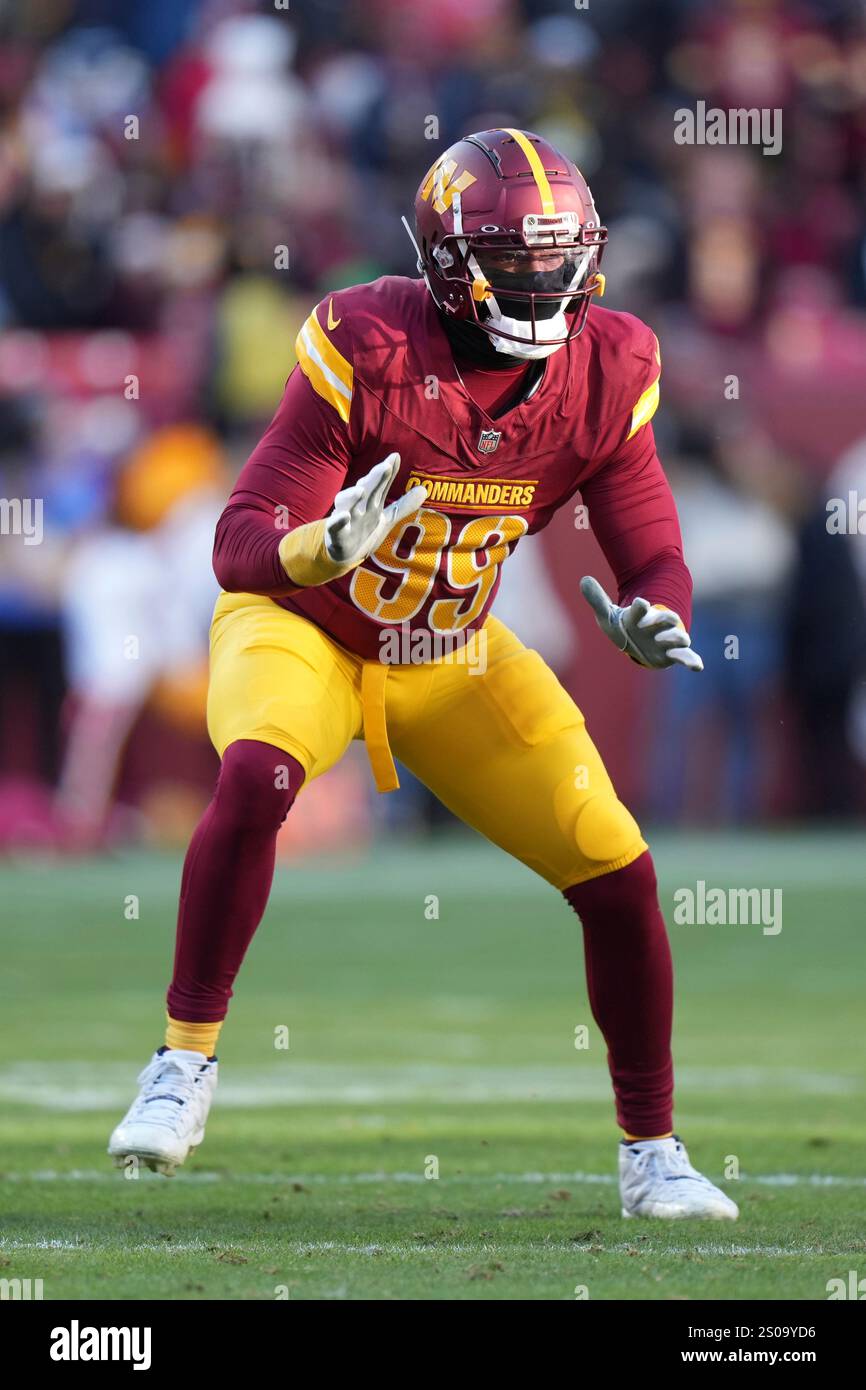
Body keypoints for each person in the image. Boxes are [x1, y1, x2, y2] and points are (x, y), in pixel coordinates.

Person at [109, 129, 736, 1220]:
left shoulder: (610, 365)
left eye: (557, 257)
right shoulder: (365, 339)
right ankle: (183, 1061)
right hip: (302, 623)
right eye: (513, 257)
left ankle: (652, 1154)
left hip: (449, 652)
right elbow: (240, 537)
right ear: (447, 264)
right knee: (257, 771)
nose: (542, 281)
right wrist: (318, 548)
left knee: (616, 866)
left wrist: (657, 611)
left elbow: (651, 547)